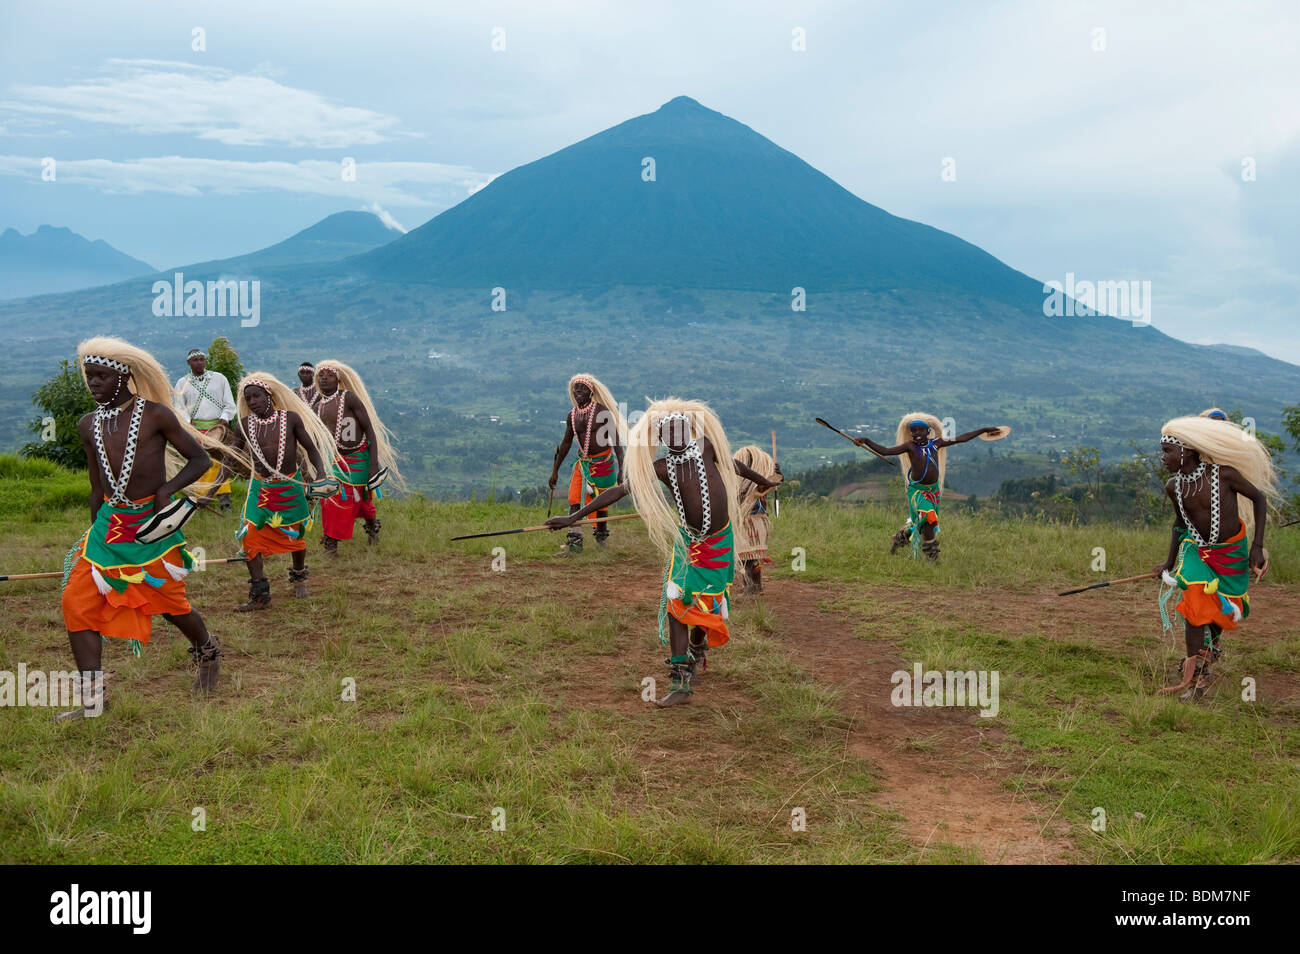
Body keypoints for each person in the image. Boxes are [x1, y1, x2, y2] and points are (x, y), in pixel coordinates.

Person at [546, 399, 778, 706]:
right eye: (667, 432)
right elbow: (619, 490)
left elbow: (734, 465)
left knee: (707, 607)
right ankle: (680, 681)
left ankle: (697, 650)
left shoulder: (707, 447)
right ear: (661, 439)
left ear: (689, 428)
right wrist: (573, 518)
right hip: (689, 546)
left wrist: (762, 481)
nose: (675, 436)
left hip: (719, 543)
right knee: (677, 601)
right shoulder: (661, 468)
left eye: (679, 428)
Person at [60, 337, 236, 718]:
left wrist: (166, 491)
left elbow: (199, 459)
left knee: (170, 604)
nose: (93, 384)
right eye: (89, 377)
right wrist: (96, 531)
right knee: (76, 603)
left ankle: (208, 652)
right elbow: (96, 486)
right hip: (110, 528)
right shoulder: (87, 424)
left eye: (101, 376)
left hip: (152, 527)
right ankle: (94, 701)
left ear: (123, 377)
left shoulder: (156, 414)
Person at [1154, 415, 1276, 700]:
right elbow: (1180, 525)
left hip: (1231, 553)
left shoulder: (1224, 475)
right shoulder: (1174, 487)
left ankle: (1209, 650)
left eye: (1166, 450)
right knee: (1195, 600)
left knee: (1220, 609)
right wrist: (1168, 563)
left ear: (1186, 450)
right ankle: (1196, 676)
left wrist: (1256, 546)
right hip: (1197, 552)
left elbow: (1259, 499)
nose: (1162, 457)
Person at [222, 373, 337, 610]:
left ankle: (298, 577)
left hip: (290, 487)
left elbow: (312, 450)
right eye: (248, 398)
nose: (253, 401)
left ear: (269, 396)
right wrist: (211, 487)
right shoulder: (243, 425)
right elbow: (231, 459)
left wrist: (321, 473)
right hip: (260, 488)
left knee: (295, 536)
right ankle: (260, 594)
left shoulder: (291, 419)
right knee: (250, 537)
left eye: (257, 396)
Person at [854, 413, 1002, 561]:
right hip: (917, 491)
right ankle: (932, 556)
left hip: (933, 490)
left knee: (924, 523)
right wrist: (866, 440)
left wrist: (983, 430)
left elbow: (962, 438)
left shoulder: (937, 443)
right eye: (914, 431)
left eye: (920, 430)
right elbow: (885, 451)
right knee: (929, 517)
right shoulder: (910, 447)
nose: (917, 433)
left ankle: (900, 538)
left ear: (928, 432)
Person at [312, 359, 403, 552]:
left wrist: (373, 464)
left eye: (329, 376)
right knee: (332, 499)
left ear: (338, 379)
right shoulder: (318, 405)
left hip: (358, 457)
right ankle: (331, 542)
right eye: (321, 375)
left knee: (362, 501)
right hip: (334, 460)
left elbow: (369, 429)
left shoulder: (349, 398)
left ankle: (371, 525)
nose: (324, 379)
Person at [547, 374, 625, 555]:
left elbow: (617, 442)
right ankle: (574, 543)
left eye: (583, 389)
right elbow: (566, 443)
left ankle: (601, 536)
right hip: (583, 464)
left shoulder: (602, 412)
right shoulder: (572, 416)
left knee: (602, 504)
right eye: (576, 389)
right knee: (574, 499)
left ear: (591, 392)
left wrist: (622, 468)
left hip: (604, 463)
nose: (578, 392)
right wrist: (555, 471)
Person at [174, 347, 237, 511]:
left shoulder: (219, 378)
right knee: (198, 464)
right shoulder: (182, 383)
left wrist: (224, 418)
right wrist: (188, 423)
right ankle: (196, 503)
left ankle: (225, 502)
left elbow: (229, 403)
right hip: (195, 430)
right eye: (195, 360)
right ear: (189, 363)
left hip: (218, 430)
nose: (199, 362)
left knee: (220, 464)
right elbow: (180, 407)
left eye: (202, 359)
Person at [732, 445, 782, 593]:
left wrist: (778, 474)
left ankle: (751, 587)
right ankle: (754, 586)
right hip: (752, 521)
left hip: (753, 521)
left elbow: (775, 482)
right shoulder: (742, 482)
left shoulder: (760, 479)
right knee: (750, 557)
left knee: (750, 557)